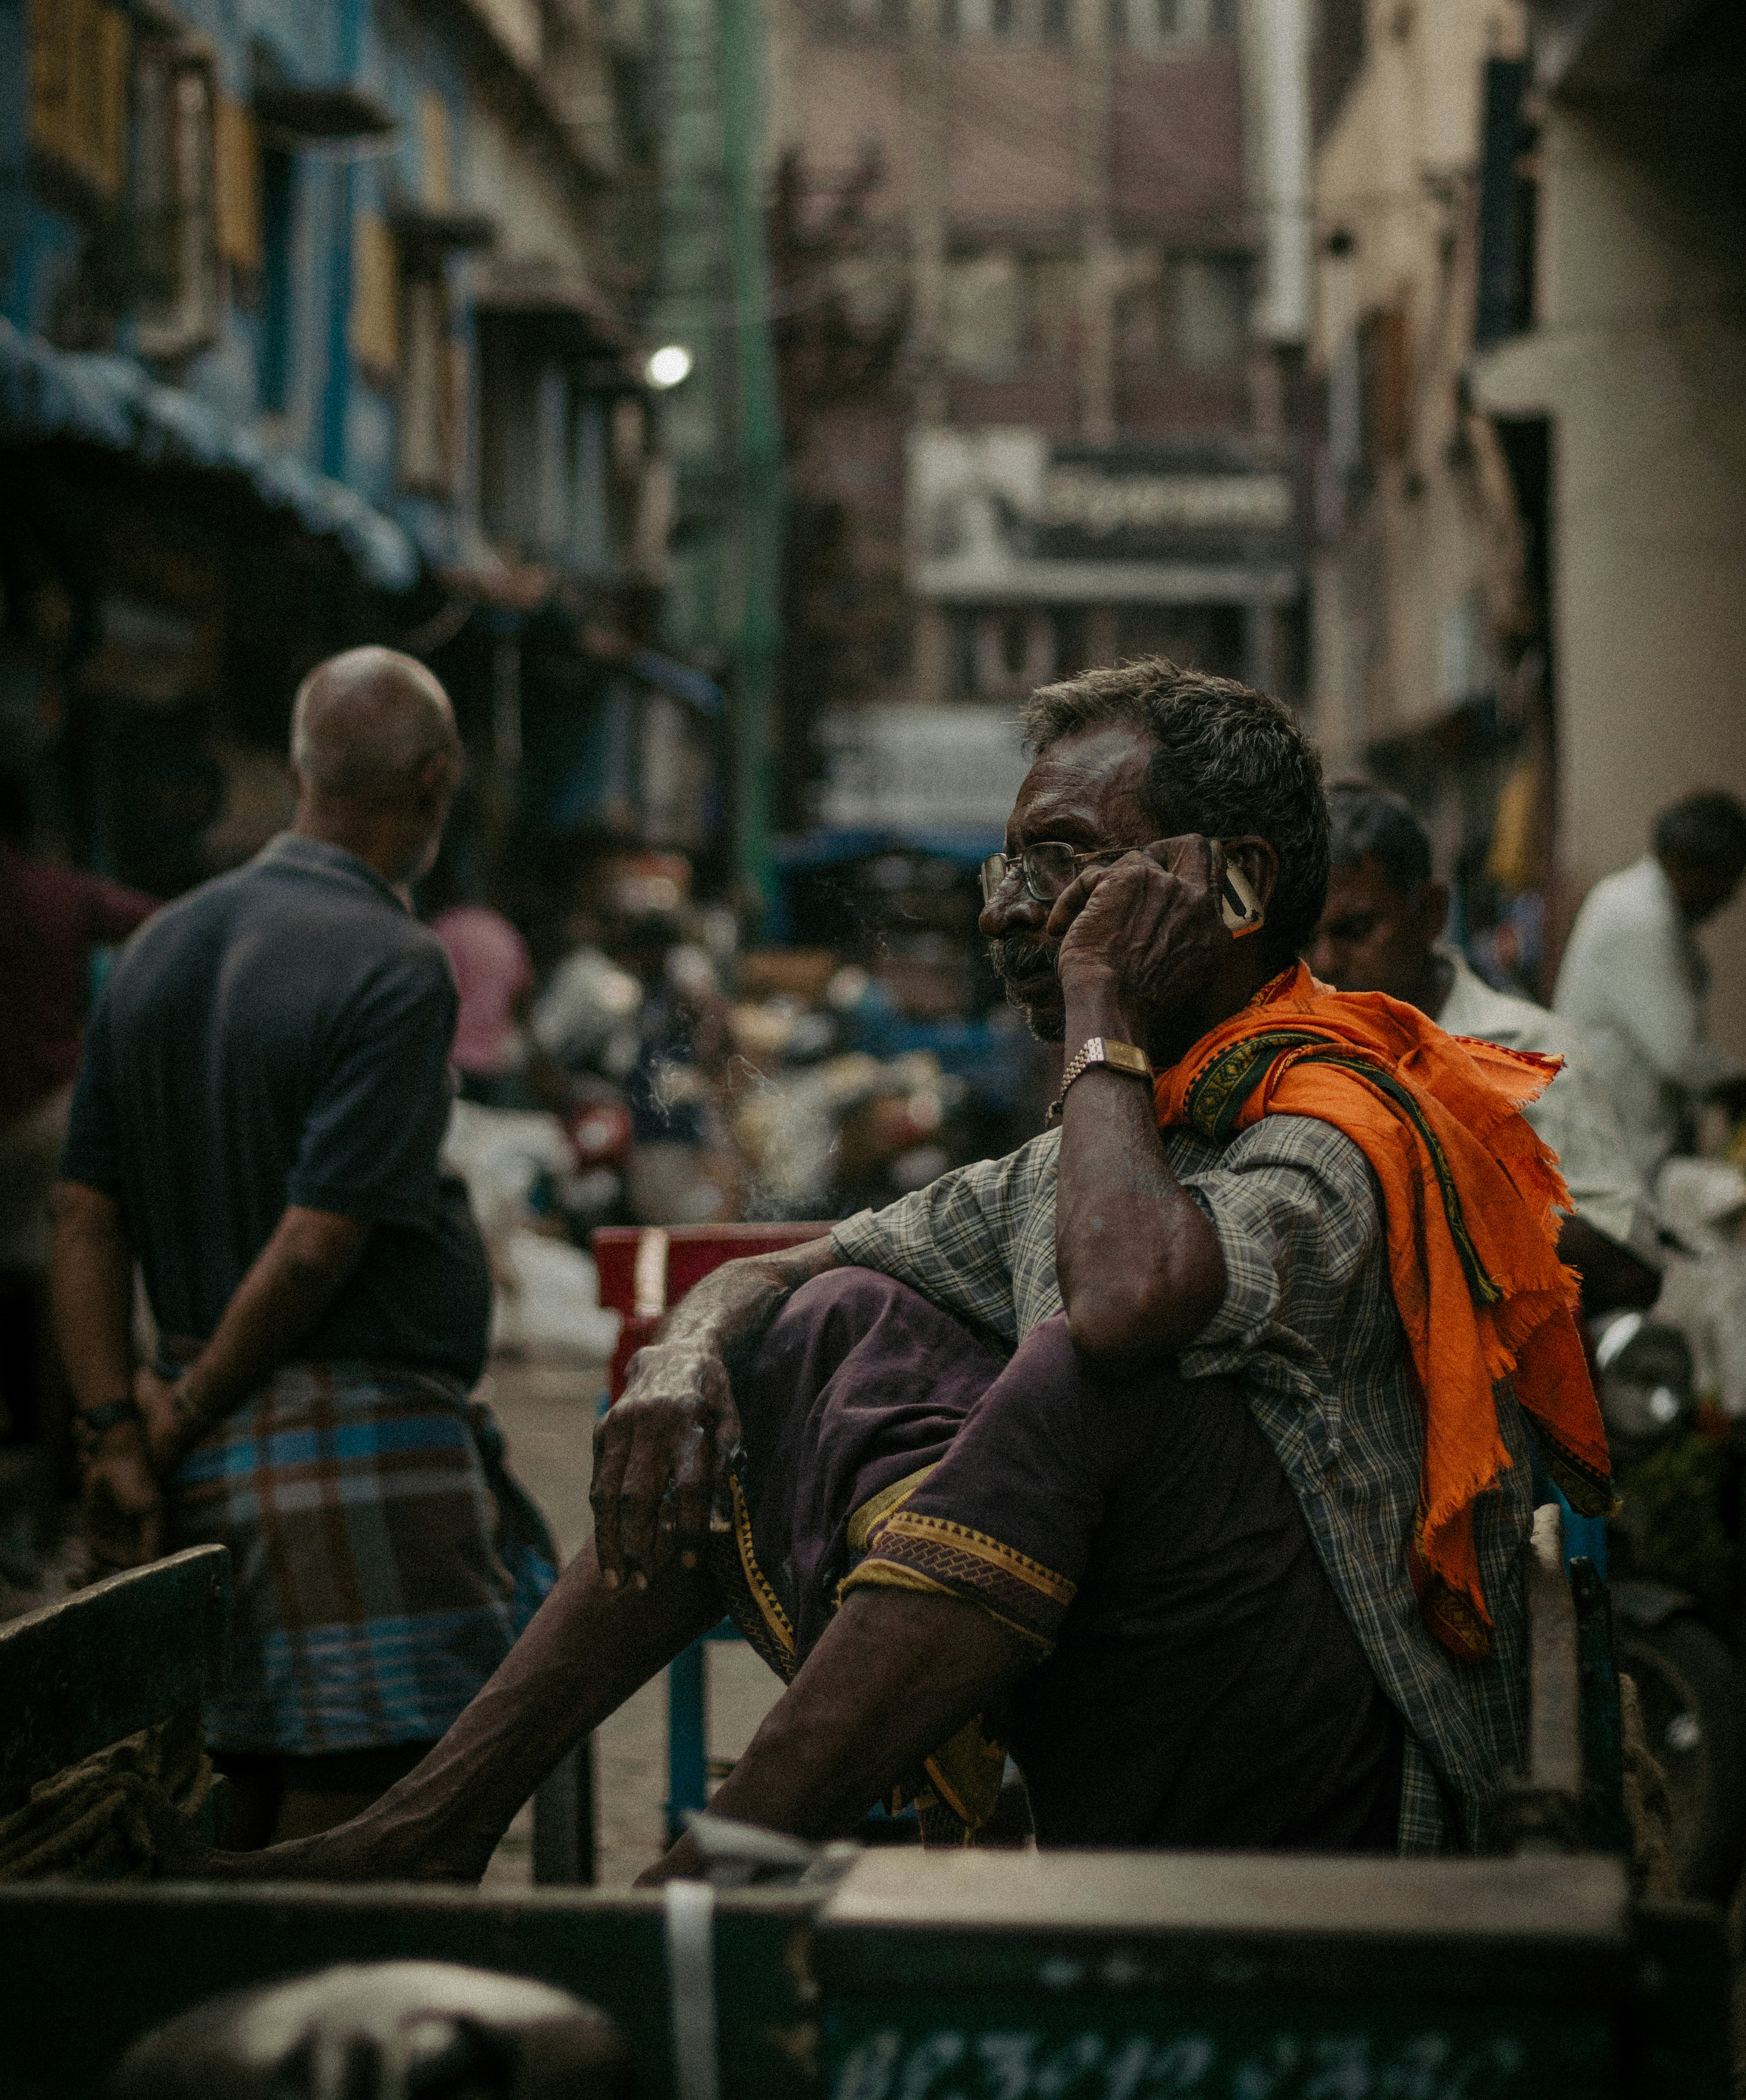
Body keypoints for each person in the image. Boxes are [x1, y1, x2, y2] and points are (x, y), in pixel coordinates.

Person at [191, 659, 1604, 1883]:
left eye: (1055, 864)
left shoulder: (1336, 1128)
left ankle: (728, 1858)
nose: (1004, 911)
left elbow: (1122, 1303)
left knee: (1088, 1369)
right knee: (827, 1317)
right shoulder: (1109, 1136)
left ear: (1222, 884)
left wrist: (1100, 1000)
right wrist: (685, 1355)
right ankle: (440, 1818)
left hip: (1338, 1791)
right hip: (1154, 1726)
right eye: (1011, 868)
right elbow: (796, 1267)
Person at [51, 648, 555, 1847]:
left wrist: (116, 1432)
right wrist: (175, 1409)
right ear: (434, 783)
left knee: (238, 1801)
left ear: (298, 772)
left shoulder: (156, 949)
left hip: (200, 1453)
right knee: (368, 1841)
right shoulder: (393, 962)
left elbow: (84, 1217)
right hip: (354, 1444)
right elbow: (318, 1242)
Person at [1312, 782, 1661, 1314]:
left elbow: (1625, 1252)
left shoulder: (1523, 1050)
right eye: (1302, 940)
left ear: (1430, 912)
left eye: (1355, 930)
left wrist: (1430, 1241)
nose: (1325, 962)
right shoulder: (1298, 1050)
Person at [0, 775, 154, 1466]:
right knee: (65, 1284)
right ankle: (80, 1445)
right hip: (50, 1112)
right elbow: (164, 922)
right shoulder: (58, 893)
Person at [1553, 793, 1746, 1187]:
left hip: (1632, 1134)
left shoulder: (1649, 906)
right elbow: (1680, 1055)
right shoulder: (1639, 914)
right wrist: (1735, 1085)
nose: (1729, 897)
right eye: (1726, 879)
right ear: (1684, 864)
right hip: (1616, 1139)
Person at [431, 904, 536, 1105]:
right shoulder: (506, 935)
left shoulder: (447, 928)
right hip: (494, 1062)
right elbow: (522, 997)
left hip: (448, 1056)